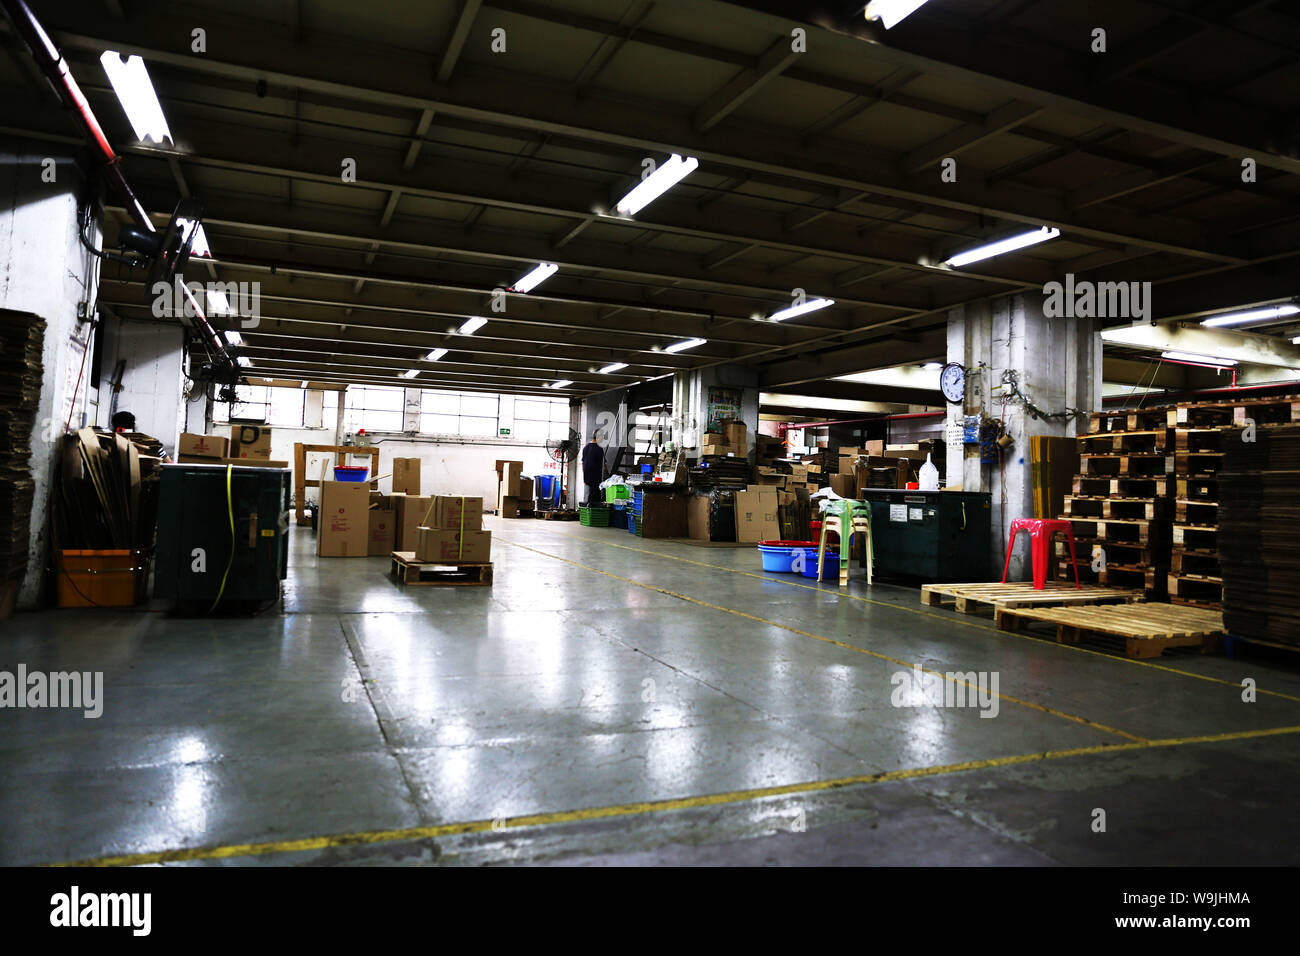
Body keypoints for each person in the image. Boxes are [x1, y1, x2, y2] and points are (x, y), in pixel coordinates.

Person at [581, 433, 605, 507]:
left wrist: (585, 474)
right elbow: (603, 464)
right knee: (595, 496)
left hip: (587, 475)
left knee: (591, 493)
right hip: (596, 475)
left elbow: (582, 463)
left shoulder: (585, 448)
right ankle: (591, 511)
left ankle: (590, 510)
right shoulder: (599, 449)